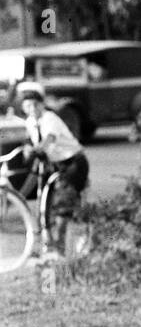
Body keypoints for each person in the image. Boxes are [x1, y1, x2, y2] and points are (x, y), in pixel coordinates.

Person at [17, 81, 89, 259]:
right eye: (28, 105)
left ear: (42, 104)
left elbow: (49, 138)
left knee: (63, 202)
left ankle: (61, 244)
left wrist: (39, 148)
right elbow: (30, 141)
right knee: (42, 201)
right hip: (54, 163)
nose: (32, 108)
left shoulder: (50, 118)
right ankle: (45, 242)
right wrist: (28, 149)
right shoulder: (30, 122)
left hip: (72, 162)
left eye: (36, 104)